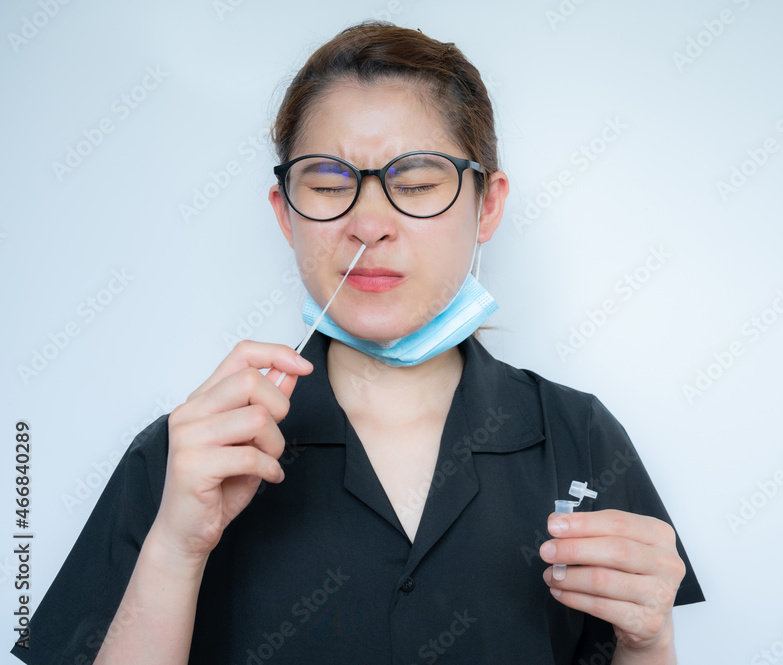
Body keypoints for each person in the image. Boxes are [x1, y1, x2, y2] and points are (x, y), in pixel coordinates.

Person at [12, 21, 704, 665]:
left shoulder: (578, 436)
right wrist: (173, 549)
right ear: (285, 213)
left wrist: (649, 639)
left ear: (487, 204)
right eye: (327, 182)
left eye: (418, 181)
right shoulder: (192, 454)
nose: (369, 223)